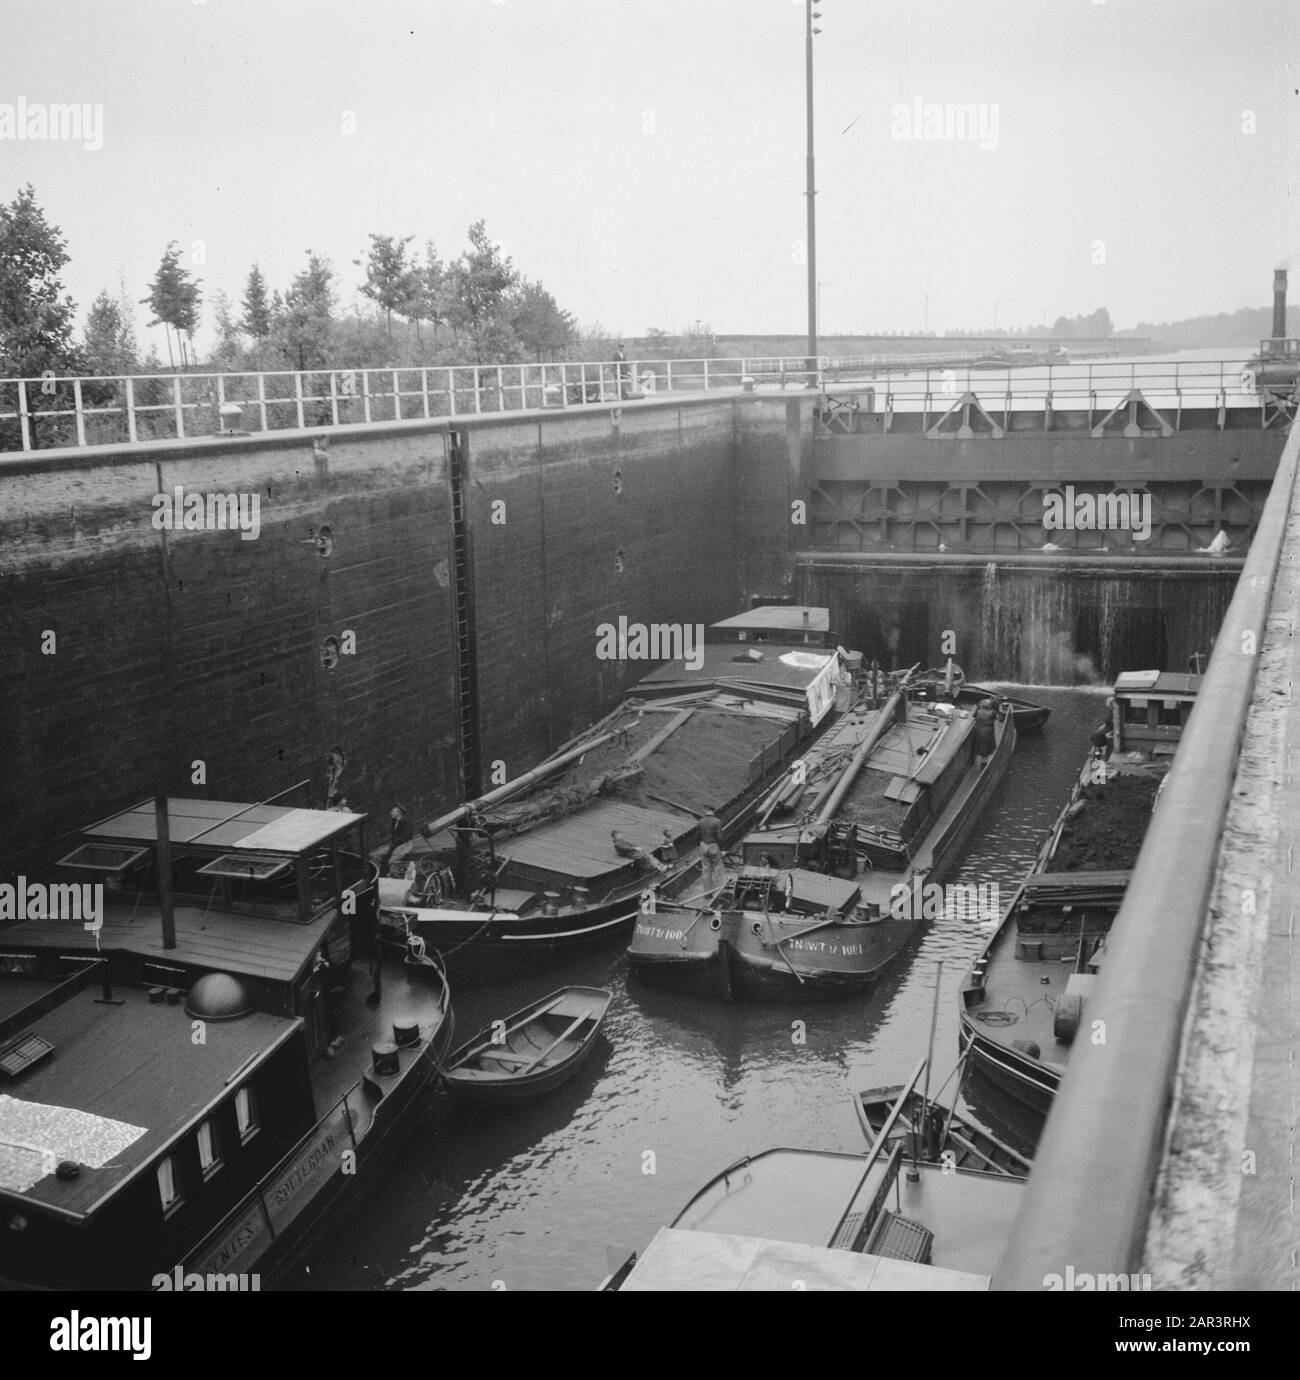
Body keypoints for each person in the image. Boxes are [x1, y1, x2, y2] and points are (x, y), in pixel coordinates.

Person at [698, 808, 724, 893]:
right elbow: (719, 837)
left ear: (705, 810)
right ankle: (718, 892)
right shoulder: (717, 821)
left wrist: (700, 846)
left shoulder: (700, 821)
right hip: (713, 846)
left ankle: (707, 892)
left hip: (703, 845)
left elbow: (697, 836)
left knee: (706, 869)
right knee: (718, 868)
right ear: (713, 811)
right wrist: (722, 849)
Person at [973, 697, 997, 767]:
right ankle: (984, 761)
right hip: (988, 731)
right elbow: (999, 719)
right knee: (986, 746)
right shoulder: (992, 712)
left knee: (979, 744)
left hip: (978, 730)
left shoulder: (978, 711)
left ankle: (978, 759)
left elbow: (973, 716)